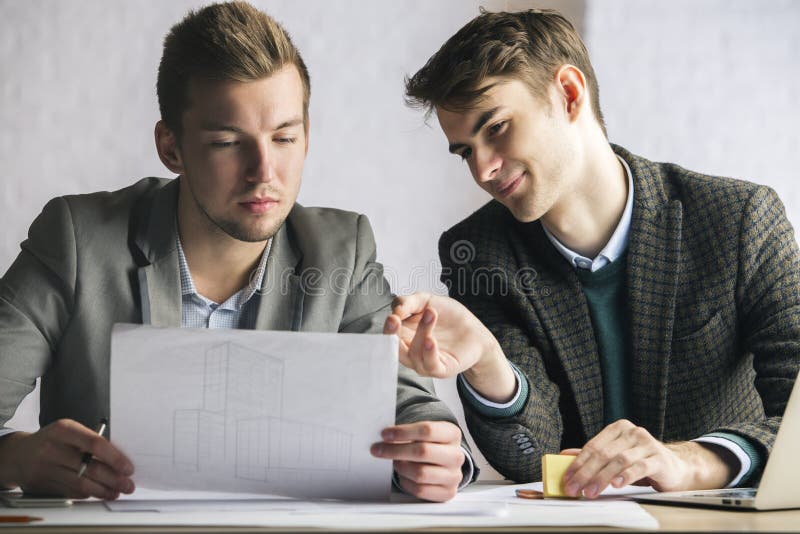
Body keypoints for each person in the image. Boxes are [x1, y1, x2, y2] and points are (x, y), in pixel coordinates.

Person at [0, 1, 475, 503]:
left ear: (307, 138)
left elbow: (411, 407)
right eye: (228, 142)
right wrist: (15, 457)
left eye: (285, 137)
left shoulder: (342, 252)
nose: (264, 172)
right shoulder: (77, 238)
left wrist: (439, 457)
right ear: (171, 147)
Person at [384, 8, 800, 498]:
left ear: (569, 93)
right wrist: (488, 360)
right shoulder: (478, 251)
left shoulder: (739, 218)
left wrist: (688, 462)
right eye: (465, 151)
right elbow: (527, 455)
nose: (483, 171)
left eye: (496, 128)